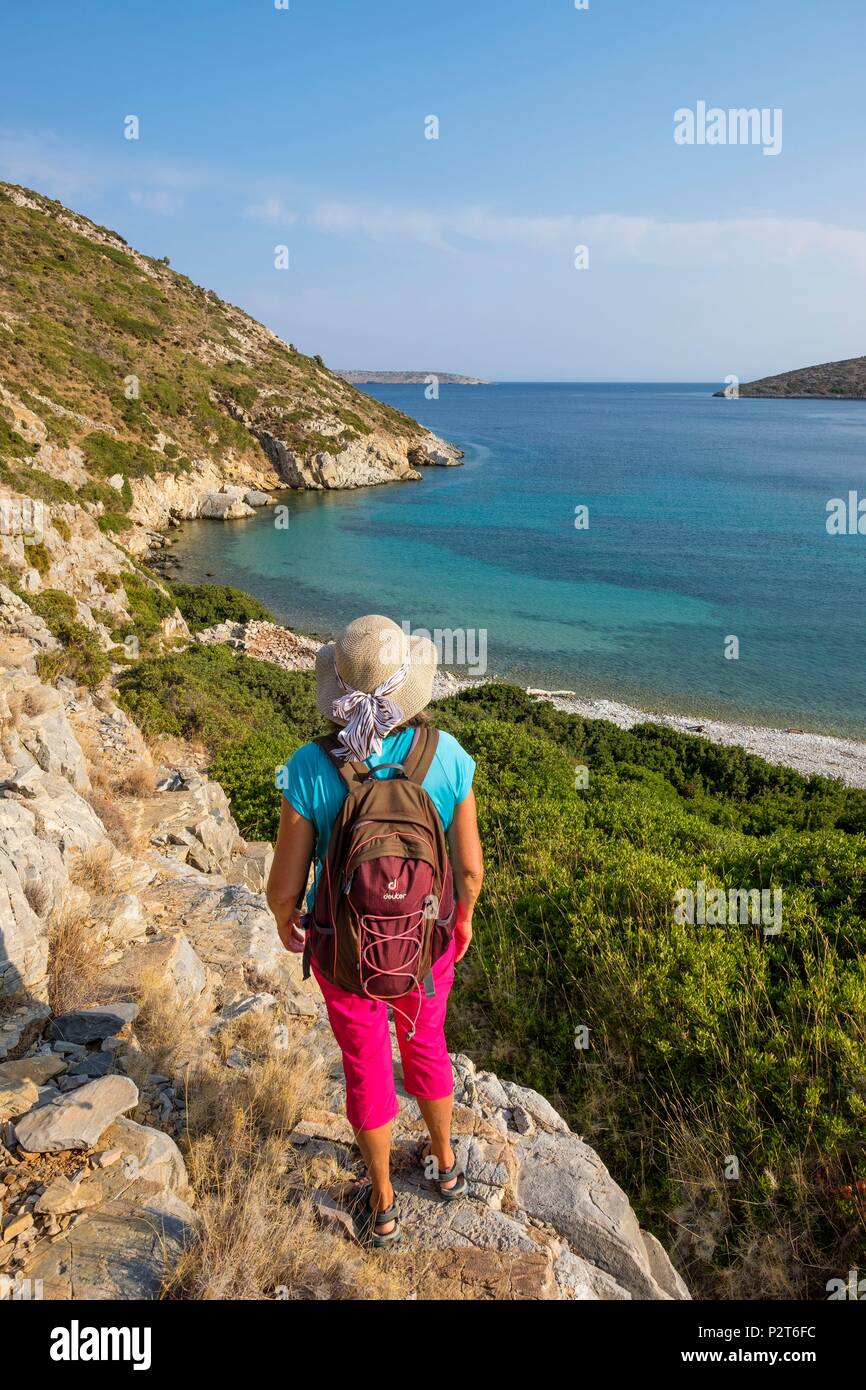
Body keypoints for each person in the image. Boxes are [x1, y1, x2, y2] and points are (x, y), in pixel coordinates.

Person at [266, 614, 484, 1245]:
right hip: (425, 948)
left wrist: (288, 920)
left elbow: (284, 885)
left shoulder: (308, 768)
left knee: (365, 1066)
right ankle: (445, 1166)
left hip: (344, 956)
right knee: (426, 1046)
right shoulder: (447, 758)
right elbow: (468, 869)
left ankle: (383, 1201)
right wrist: (462, 917)